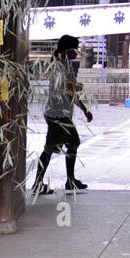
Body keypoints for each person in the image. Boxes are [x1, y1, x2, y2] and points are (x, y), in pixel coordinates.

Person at [33, 35, 93, 195]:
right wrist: (82, 103)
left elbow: (69, 90)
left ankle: (66, 180)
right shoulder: (59, 65)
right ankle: (46, 182)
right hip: (57, 114)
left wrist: (83, 108)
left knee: (58, 146)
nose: (76, 53)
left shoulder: (64, 64)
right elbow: (67, 89)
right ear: (67, 49)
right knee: (65, 144)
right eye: (74, 49)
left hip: (59, 113)